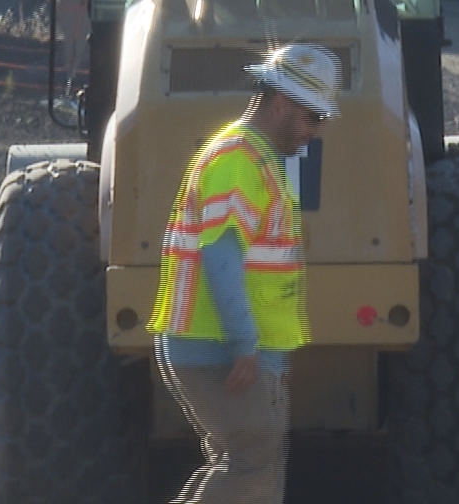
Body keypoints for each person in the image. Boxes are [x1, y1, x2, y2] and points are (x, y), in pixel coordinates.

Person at [146, 43, 341, 504]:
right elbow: (220, 257)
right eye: (313, 117)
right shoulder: (238, 159)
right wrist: (246, 345)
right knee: (251, 460)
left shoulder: (258, 158)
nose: (316, 132)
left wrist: (272, 355)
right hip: (212, 343)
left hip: (225, 343)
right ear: (281, 103)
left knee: (250, 462)